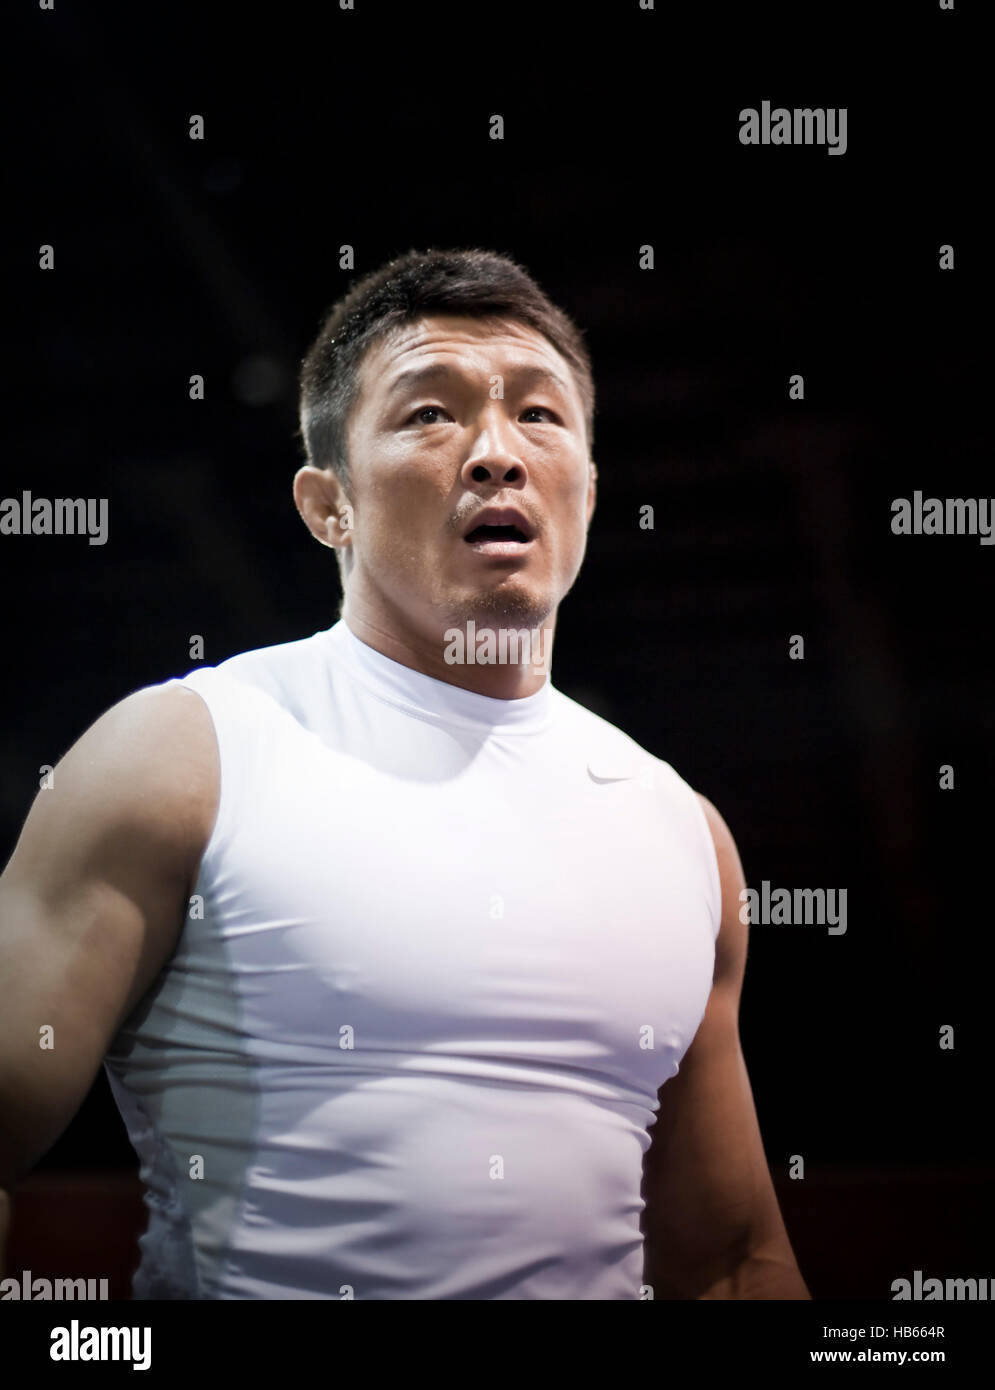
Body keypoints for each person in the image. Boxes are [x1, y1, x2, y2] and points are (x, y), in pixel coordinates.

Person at [0, 248, 809, 1299]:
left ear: (590, 491)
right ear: (325, 504)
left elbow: (731, 1262)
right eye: (430, 413)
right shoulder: (181, 753)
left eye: (539, 415)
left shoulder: (678, 827)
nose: (495, 454)